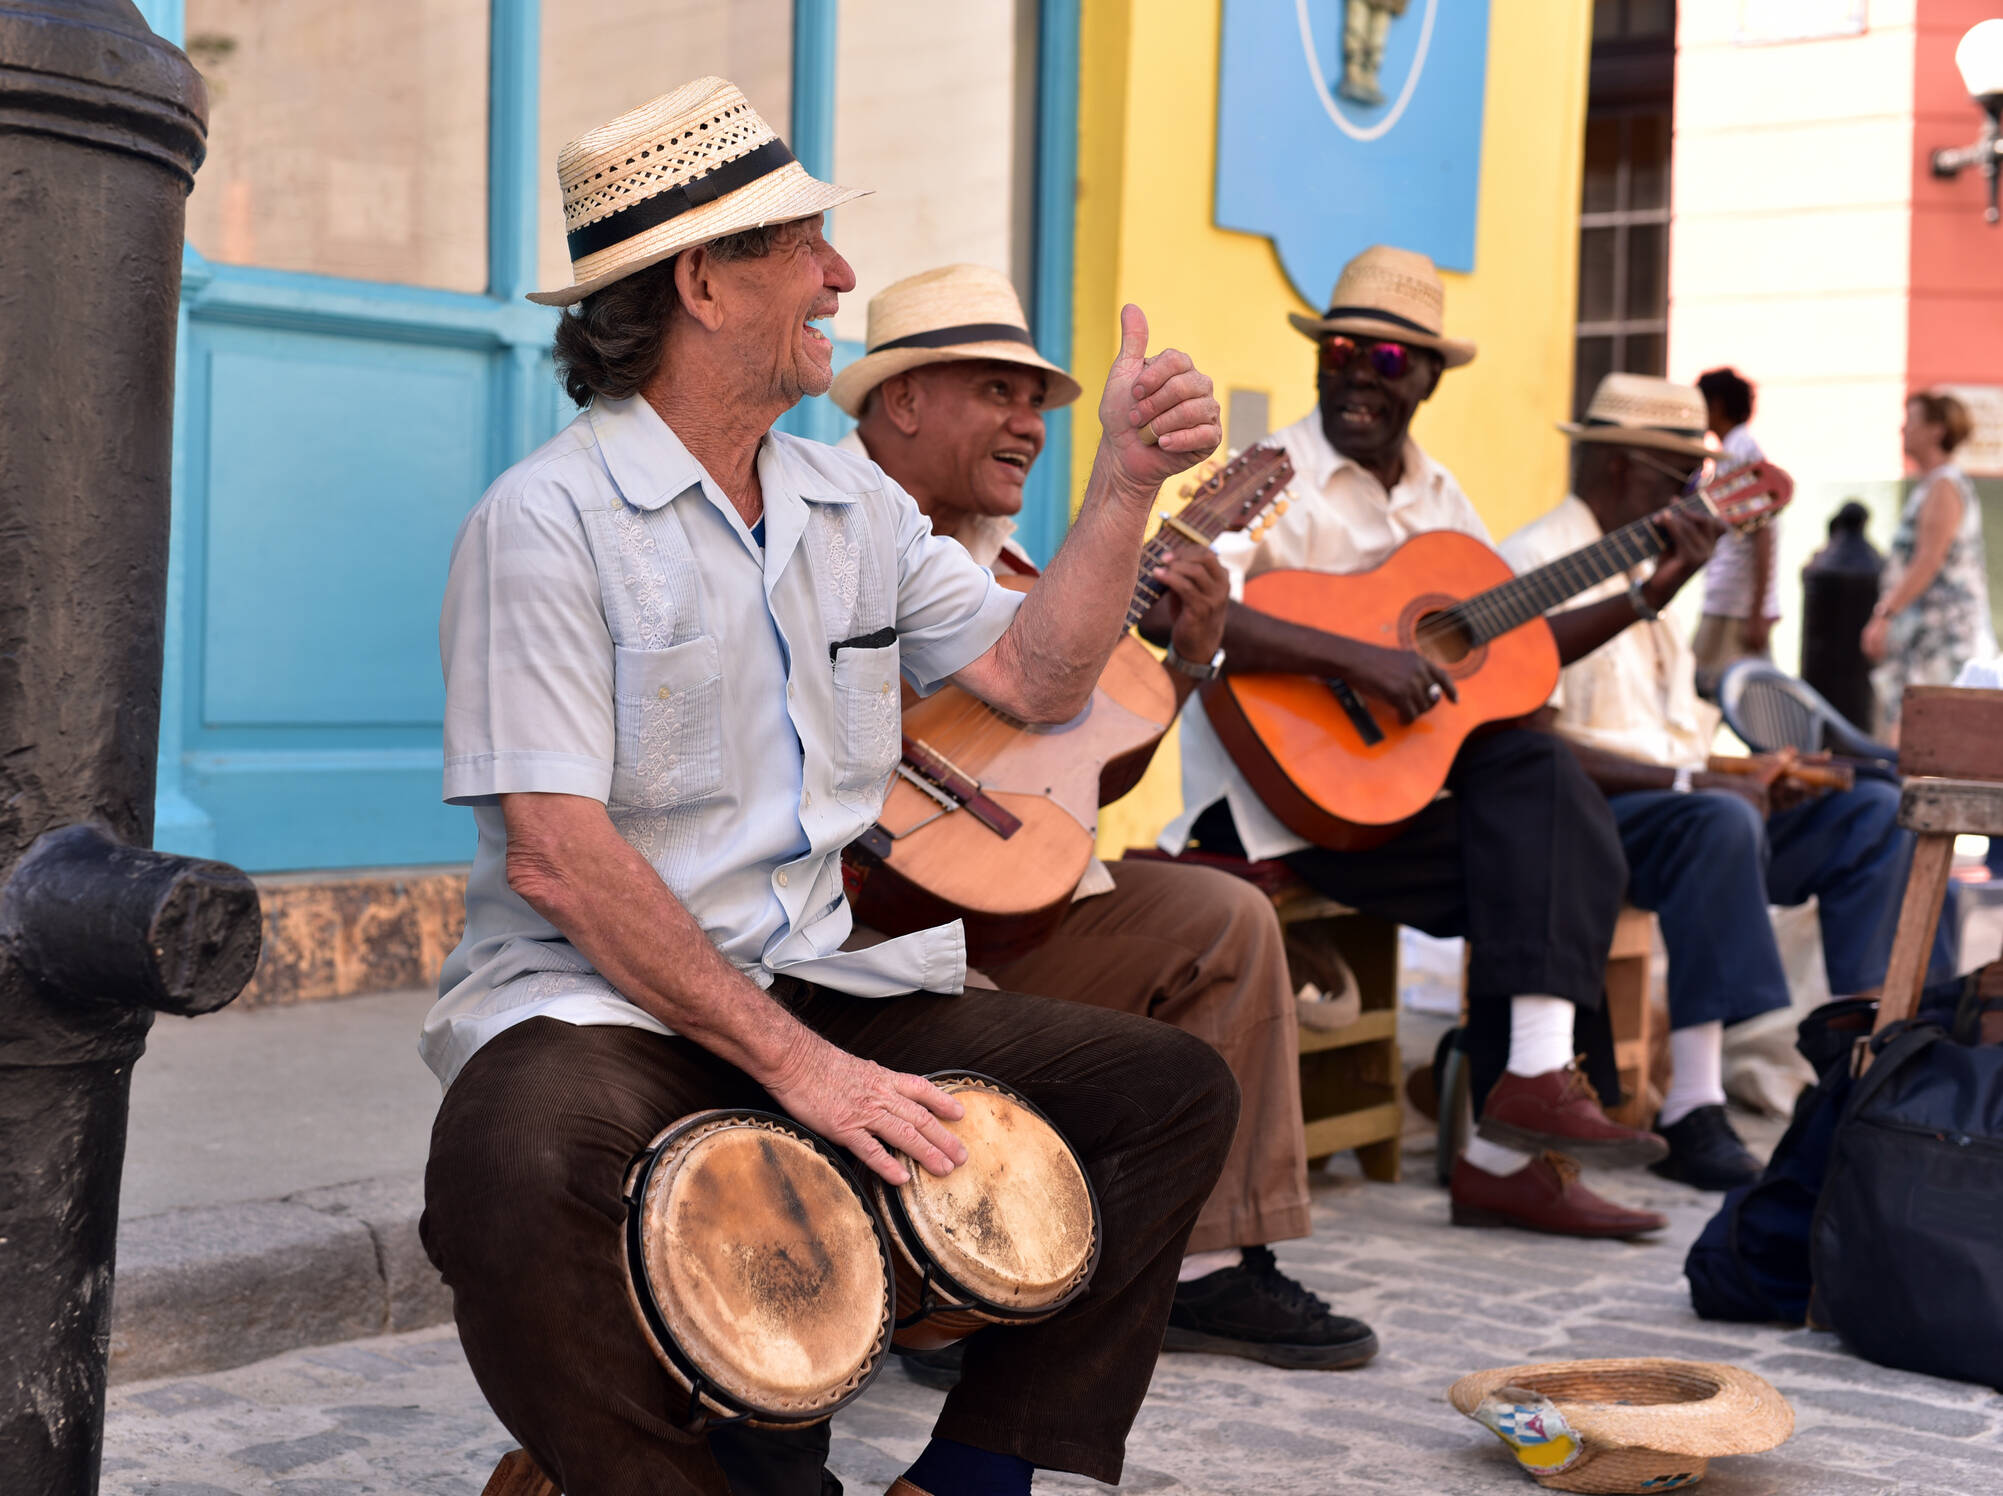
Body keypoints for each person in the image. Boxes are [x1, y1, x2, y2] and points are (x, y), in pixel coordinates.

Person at [418, 78, 1237, 1496]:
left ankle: (966, 1479)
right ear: (701, 283)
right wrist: (801, 1069)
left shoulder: (850, 503)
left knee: (1163, 1095)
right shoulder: (545, 520)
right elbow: (555, 854)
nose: (842, 275)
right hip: (601, 1003)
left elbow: (1038, 676)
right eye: (805, 245)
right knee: (513, 1157)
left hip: (814, 980)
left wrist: (1119, 487)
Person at [831, 263, 1372, 1375]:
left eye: (1037, 401)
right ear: (903, 399)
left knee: (1223, 919)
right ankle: (951, 1279)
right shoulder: (818, 525)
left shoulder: (1034, 570)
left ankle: (1205, 1268)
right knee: (954, 998)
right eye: (997, 391)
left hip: (995, 898)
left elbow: (1070, 779)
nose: (1030, 424)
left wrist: (1188, 659)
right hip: (845, 913)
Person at [1157, 246, 1721, 1240]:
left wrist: (1644, 596)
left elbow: (1509, 651)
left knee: (1549, 825)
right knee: (1549, 832)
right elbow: (1176, 606)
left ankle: (1522, 1115)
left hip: (1387, 802)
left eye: (1384, 359)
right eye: (1338, 351)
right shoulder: (1271, 475)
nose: (1355, 375)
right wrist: (1356, 659)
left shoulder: (1442, 500)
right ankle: (1512, 1144)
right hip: (1272, 805)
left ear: (1426, 378)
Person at [1501, 373, 1961, 1190]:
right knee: (1716, 822)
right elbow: (1531, 746)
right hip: (1589, 818)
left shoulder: (1655, 570)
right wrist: (1696, 784)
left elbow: (1671, 732)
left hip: (1679, 797)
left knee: (1873, 812)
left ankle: (1864, 1071)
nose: (1697, 499)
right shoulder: (1535, 560)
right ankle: (1694, 1104)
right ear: (1617, 466)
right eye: (1680, 479)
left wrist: (1753, 772)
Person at [1864, 389, 1998, 743]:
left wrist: (1884, 615)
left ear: (1936, 430)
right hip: (1928, 638)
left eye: (1911, 421)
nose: (1903, 429)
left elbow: (1929, 557)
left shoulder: (1944, 485)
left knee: (1931, 739)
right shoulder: (1933, 484)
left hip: (1943, 640)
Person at [1691, 367, 1779, 693]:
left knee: (1713, 692)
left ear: (1715, 406)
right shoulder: (1731, 453)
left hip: (1736, 605)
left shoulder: (1741, 454)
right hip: (1730, 599)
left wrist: (1756, 611)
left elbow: (1764, 533)